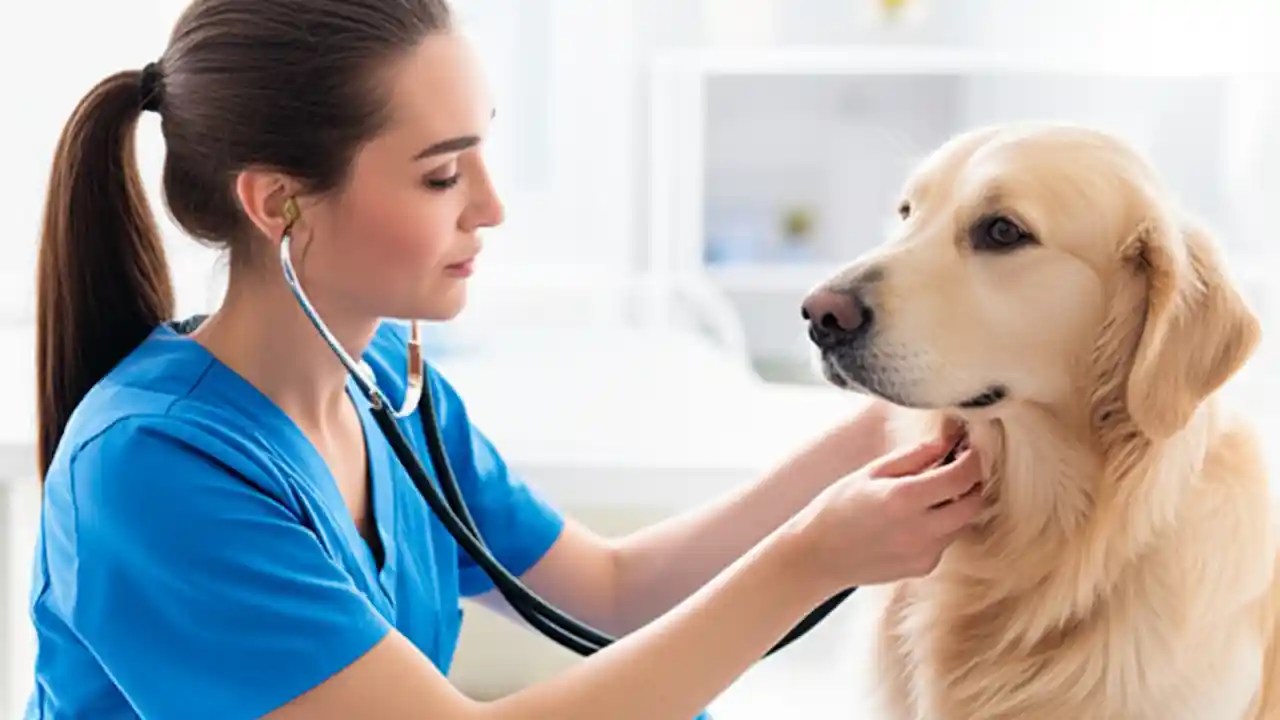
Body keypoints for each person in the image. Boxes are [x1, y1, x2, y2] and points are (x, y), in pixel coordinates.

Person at [26, 1, 986, 718]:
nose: (490, 206)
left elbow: (612, 590)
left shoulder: (398, 407)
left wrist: (875, 431)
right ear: (279, 204)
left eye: (481, 155)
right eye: (441, 173)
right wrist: (814, 560)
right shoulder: (152, 468)